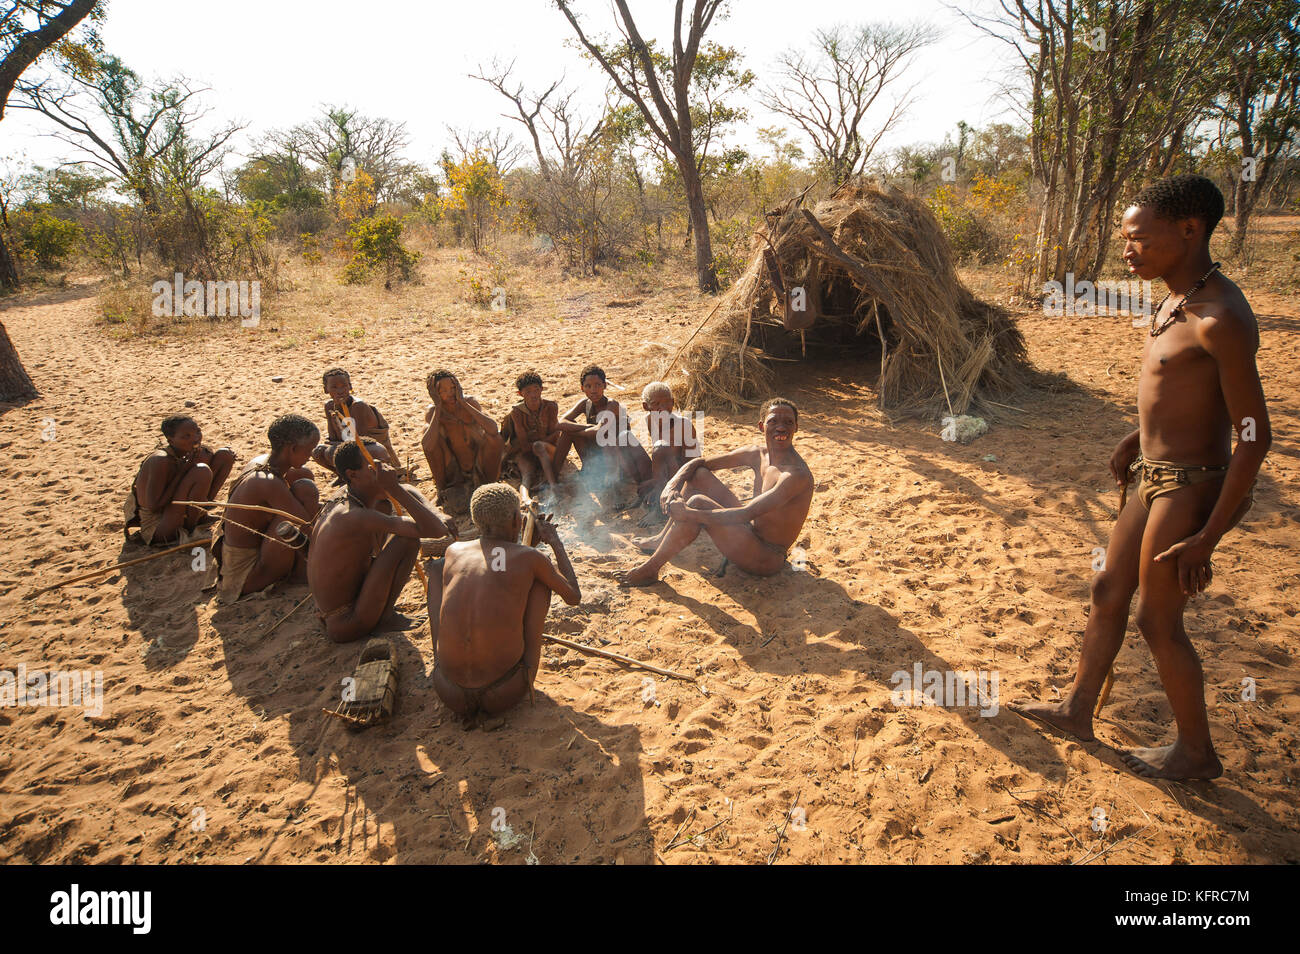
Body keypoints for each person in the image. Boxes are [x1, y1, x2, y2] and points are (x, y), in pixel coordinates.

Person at [1013, 174, 1271, 781]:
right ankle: (1078, 710)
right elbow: (1180, 392)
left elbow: (1256, 436)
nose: (1127, 250)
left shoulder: (1220, 317)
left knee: (1159, 620)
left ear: (1189, 230)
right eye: (1125, 239)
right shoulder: (1171, 299)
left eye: (1139, 239)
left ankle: (1197, 753)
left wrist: (1208, 535)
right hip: (1153, 476)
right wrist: (1137, 438)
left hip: (1189, 487)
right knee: (1107, 590)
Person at [428, 483, 580, 720]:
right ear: (516, 520)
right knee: (540, 580)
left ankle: (439, 661)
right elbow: (573, 596)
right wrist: (555, 542)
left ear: (476, 520)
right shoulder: (529, 558)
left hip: (448, 692)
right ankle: (527, 671)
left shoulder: (454, 551)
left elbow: (499, 569)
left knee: (437, 570)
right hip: (504, 692)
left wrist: (527, 550)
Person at [621, 397, 813, 585]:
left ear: (796, 427)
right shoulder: (758, 454)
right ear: (762, 426)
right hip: (750, 531)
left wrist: (690, 513)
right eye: (774, 422)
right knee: (699, 474)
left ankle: (650, 570)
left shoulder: (795, 475)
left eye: (788, 422)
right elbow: (700, 462)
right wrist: (672, 485)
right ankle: (660, 539)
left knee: (697, 503)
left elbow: (746, 513)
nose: (781, 427)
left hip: (767, 556)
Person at [308, 442, 452, 643]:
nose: (388, 470)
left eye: (387, 463)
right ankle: (385, 619)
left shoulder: (348, 494)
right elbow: (436, 530)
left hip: (335, 614)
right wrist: (393, 487)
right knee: (407, 540)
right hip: (347, 622)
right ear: (352, 474)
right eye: (377, 466)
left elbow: (408, 488)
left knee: (383, 504)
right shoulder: (354, 516)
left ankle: (381, 612)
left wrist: (436, 512)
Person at [212, 414, 322, 602]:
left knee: (303, 480)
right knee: (296, 511)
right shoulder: (267, 483)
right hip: (246, 576)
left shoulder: (263, 462)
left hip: (255, 557)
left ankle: (299, 566)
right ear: (293, 448)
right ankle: (300, 573)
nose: (310, 456)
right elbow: (307, 526)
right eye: (309, 450)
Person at [124, 416, 234, 545]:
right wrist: (183, 471)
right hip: (159, 526)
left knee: (225, 455)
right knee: (201, 471)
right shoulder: (161, 460)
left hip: (178, 512)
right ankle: (191, 528)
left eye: (197, 432)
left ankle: (200, 514)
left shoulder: (190, 452)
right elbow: (154, 506)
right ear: (170, 440)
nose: (196, 438)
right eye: (186, 436)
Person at [558, 364, 650, 503]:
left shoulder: (611, 404)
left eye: (597, 385)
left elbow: (600, 431)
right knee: (567, 433)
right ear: (582, 388)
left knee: (606, 436)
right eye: (588, 386)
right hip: (599, 456)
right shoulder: (585, 404)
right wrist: (587, 427)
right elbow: (561, 422)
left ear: (605, 386)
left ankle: (615, 490)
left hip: (620, 458)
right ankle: (552, 480)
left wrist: (581, 430)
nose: (593, 390)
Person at [421, 369, 504, 507]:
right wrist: (438, 407)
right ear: (435, 394)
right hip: (454, 471)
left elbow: (493, 430)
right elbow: (427, 446)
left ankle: (490, 484)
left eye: (453, 388)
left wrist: (463, 403)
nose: (450, 394)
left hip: (478, 465)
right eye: (444, 391)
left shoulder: (469, 402)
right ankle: (441, 490)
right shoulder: (433, 412)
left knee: (495, 439)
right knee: (428, 434)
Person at [311, 368, 397, 475]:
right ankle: (343, 477)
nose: (340, 391)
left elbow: (362, 442)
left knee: (331, 452)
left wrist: (339, 444)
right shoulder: (329, 406)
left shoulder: (358, 406)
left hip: (372, 452)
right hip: (349, 446)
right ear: (326, 389)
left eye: (344, 386)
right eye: (334, 387)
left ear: (350, 386)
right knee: (317, 452)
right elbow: (332, 438)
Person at [501, 370, 569, 491]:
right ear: (520, 394)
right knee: (526, 476)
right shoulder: (517, 413)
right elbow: (524, 446)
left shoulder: (551, 407)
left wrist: (539, 442)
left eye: (536, 390)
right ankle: (526, 500)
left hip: (549, 451)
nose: (533, 395)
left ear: (542, 389)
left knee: (539, 446)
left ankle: (553, 486)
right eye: (528, 392)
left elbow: (555, 435)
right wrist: (537, 442)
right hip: (527, 454)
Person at [637, 380, 700, 511]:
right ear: (646, 406)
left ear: (673, 401)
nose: (663, 408)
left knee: (661, 447)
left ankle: (657, 509)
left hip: (681, 477)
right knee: (624, 438)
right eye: (656, 404)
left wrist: (664, 484)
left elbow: (694, 462)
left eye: (667, 402)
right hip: (663, 474)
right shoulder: (649, 420)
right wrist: (655, 480)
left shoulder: (684, 425)